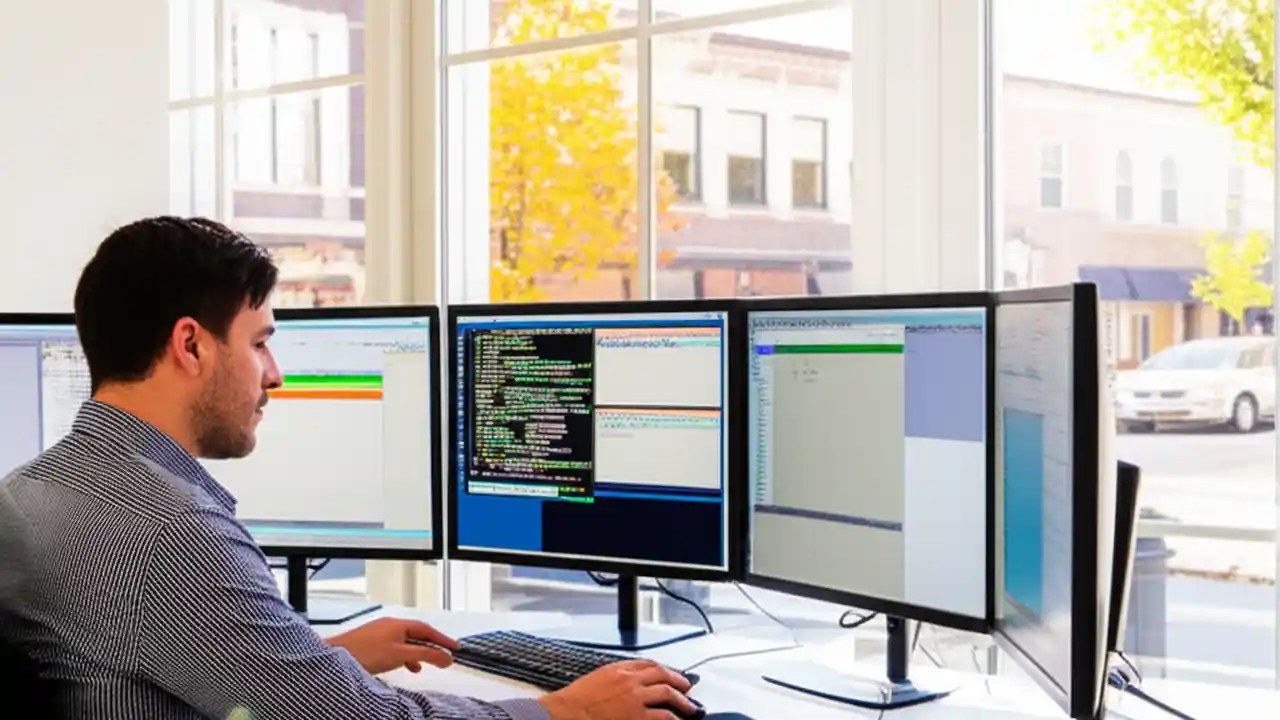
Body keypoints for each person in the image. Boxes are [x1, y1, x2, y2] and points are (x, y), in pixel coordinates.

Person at [0, 217, 695, 720]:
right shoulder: (170, 531)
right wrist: (566, 711)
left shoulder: (32, 492)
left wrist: (326, 655)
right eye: (260, 342)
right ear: (191, 344)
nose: (274, 375)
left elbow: (160, 656)